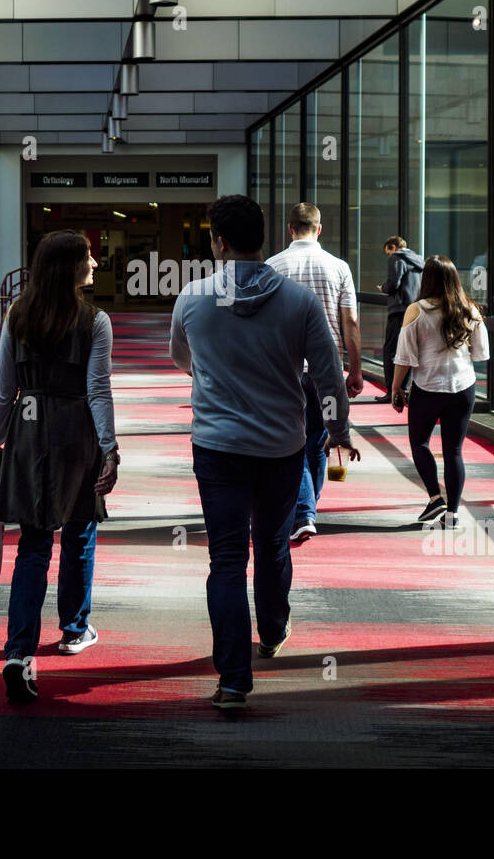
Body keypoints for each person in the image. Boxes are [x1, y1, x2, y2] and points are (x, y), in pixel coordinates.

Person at [171, 195, 358, 712]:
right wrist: (339, 430)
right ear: (260, 237)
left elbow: (180, 356)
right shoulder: (300, 302)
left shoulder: (193, 297)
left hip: (217, 447)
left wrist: (215, 374)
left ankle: (233, 679)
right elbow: (326, 375)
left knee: (226, 558)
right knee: (273, 542)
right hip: (281, 447)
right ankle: (273, 629)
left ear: (220, 241)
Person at [0, 229, 118, 705]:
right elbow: (98, 389)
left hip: (28, 431)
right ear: (69, 267)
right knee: (80, 530)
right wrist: (111, 447)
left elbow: (4, 390)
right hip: (75, 432)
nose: (95, 264)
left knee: (34, 544)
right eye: (88, 258)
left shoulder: (16, 318)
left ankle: (18, 653)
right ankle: (73, 629)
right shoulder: (95, 321)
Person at [266, 203, 363, 545]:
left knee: (294, 442)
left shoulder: (272, 266)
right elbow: (349, 321)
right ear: (319, 229)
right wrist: (355, 368)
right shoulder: (338, 267)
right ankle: (309, 508)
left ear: (289, 229)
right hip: (327, 369)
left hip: (286, 369)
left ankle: (304, 510)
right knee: (320, 441)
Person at [390, 255, 489, 529]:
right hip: (463, 387)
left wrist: (396, 387)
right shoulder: (469, 309)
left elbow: (404, 357)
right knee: (454, 451)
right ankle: (453, 514)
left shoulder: (416, 310)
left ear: (427, 279)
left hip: (428, 388)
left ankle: (435, 497)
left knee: (420, 443)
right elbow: (481, 353)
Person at [379, 236, 424, 404]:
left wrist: (383, 287)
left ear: (393, 247)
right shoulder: (418, 260)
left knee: (390, 350)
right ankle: (405, 388)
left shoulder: (396, 258)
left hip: (398, 310)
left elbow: (394, 283)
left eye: (388, 251)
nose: (388, 255)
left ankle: (391, 390)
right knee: (408, 349)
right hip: (414, 310)